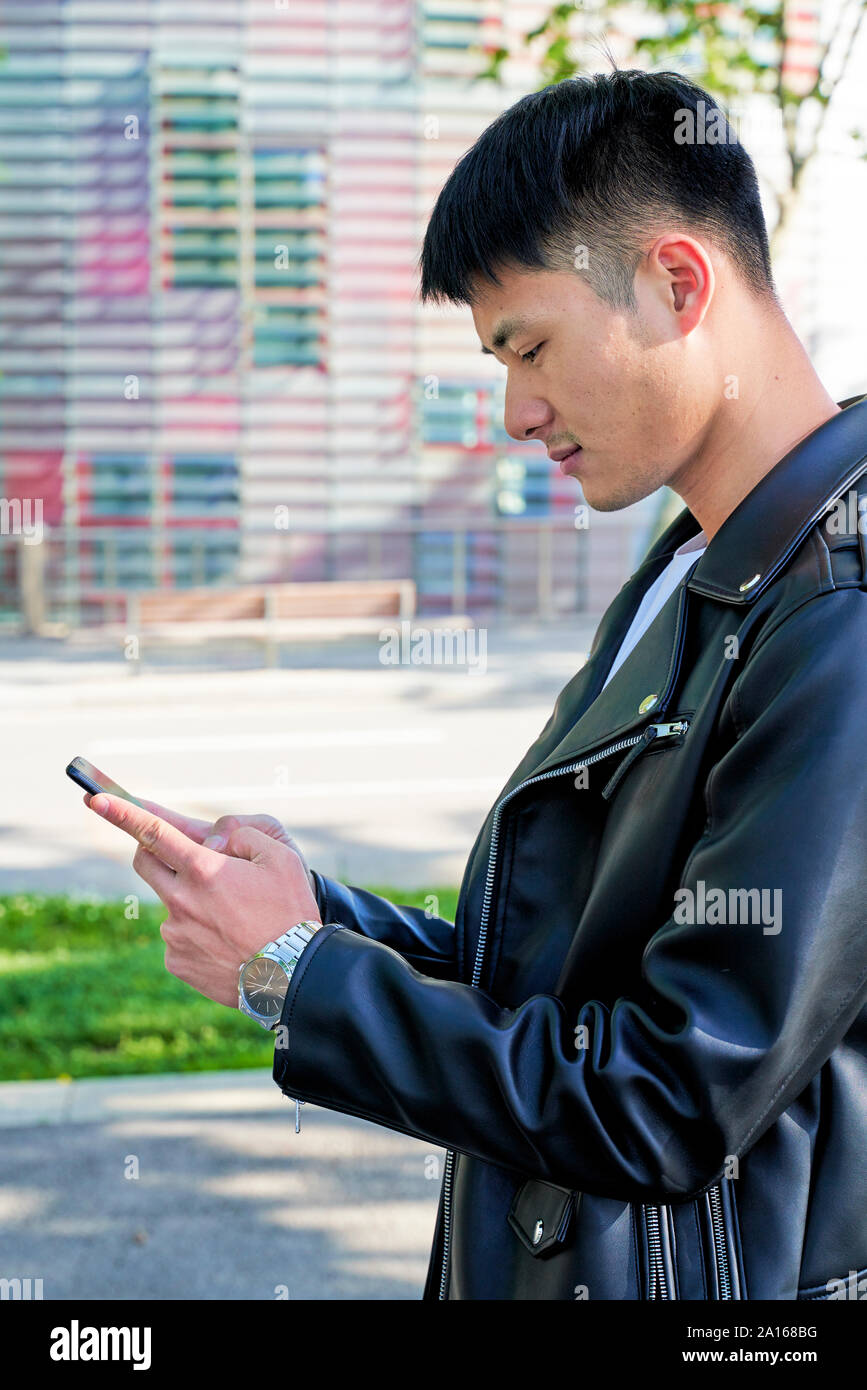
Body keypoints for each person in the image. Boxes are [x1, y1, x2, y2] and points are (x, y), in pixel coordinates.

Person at [85, 69, 867, 1301]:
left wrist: (299, 971)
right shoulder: (694, 568)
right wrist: (313, 919)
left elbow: (665, 1097)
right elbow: (565, 983)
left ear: (679, 283)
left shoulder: (839, 614)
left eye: (531, 346)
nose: (516, 411)